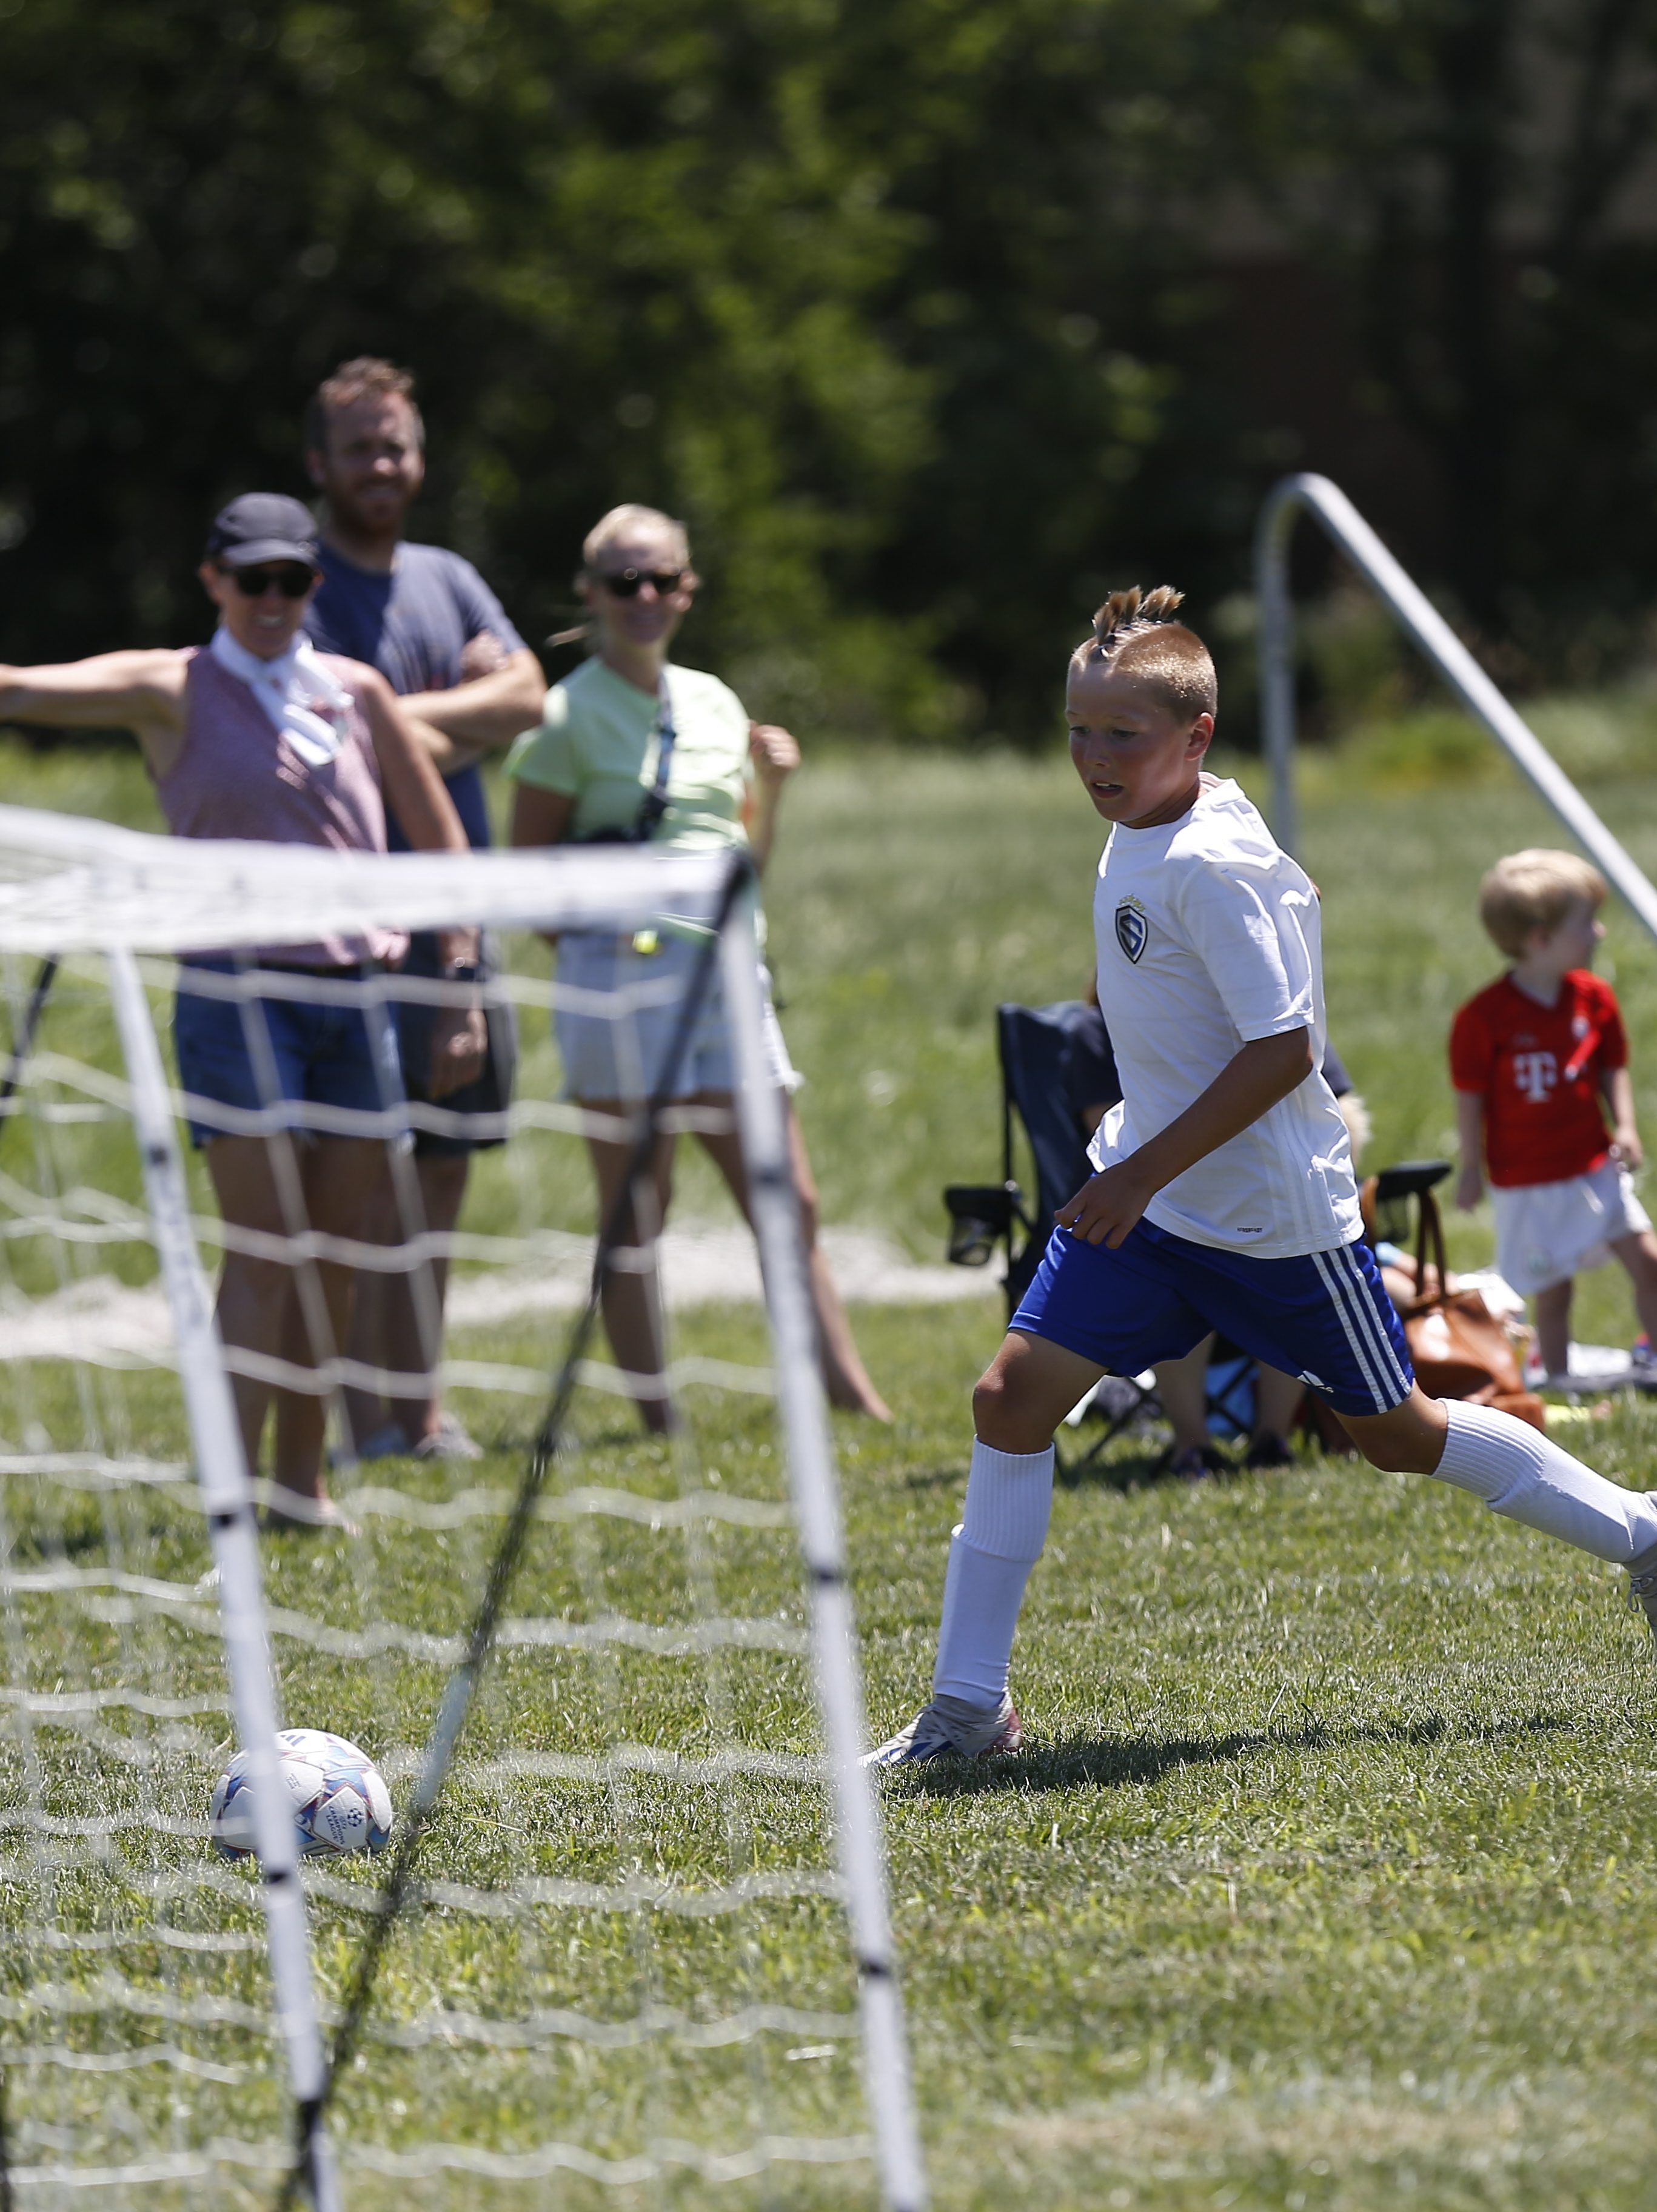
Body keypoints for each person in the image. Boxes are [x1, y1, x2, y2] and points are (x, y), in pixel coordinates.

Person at [867, 586, 1657, 1767]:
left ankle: (1640, 1533)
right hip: (1156, 1205)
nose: (1092, 757)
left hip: (1273, 1225)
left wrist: (1136, 1173)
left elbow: (1284, 1050)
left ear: (1194, 738)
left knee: (1396, 1432)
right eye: (1078, 729)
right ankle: (969, 1710)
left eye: (1119, 736)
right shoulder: (1157, 818)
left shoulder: (1212, 859)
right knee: (1008, 1400)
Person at [0, 492, 484, 1526]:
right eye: (251, 578)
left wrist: (458, 982)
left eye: (292, 580)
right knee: (263, 1246)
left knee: (339, 1248)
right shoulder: (172, 685)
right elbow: (18, 689)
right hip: (235, 992)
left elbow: (440, 841)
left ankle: (298, 1487)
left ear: (314, 585)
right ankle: (230, 1492)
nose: (272, 599)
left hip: (355, 995)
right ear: (213, 579)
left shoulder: (353, 690)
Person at [504, 501, 891, 1428]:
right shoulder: (560, 717)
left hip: (726, 973)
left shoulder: (716, 700)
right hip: (619, 981)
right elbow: (527, 880)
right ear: (589, 594)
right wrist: (607, 952)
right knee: (638, 1203)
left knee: (786, 1193)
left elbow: (743, 865)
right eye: (623, 582)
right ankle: (654, 1415)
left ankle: (844, 1391)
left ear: (687, 589)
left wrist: (778, 792)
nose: (645, 598)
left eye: (663, 580)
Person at [302, 357, 546, 1461]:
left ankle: (421, 1407)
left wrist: (393, 720)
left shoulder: (447, 577)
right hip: (349, 926)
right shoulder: (288, 580)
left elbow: (527, 692)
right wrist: (452, 718)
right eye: (359, 448)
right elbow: (323, 736)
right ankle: (351, 1418)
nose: (382, 465)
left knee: (443, 1168)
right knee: (355, 1175)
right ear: (322, 465)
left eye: (395, 444)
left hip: (459, 912)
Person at [1451, 848, 1657, 1388]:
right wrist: (1471, 1166)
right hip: (1529, 1181)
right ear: (1540, 940)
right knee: (1555, 1288)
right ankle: (1558, 1378)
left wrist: (1627, 1127)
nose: (1599, 932)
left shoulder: (1594, 997)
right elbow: (1469, 1097)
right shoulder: (1483, 1018)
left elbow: (1612, 1065)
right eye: (1586, 923)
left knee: (1647, 1260)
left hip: (1592, 1165)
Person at [1151, 1043, 1373, 1475]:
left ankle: (1272, 1440)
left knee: (1290, 1280)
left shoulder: (1275, 1013)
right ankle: (1193, 1446)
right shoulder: (1111, 1028)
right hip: (1177, 1209)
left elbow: (1346, 1124)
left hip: (1272, 1203)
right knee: (1183, 1285)